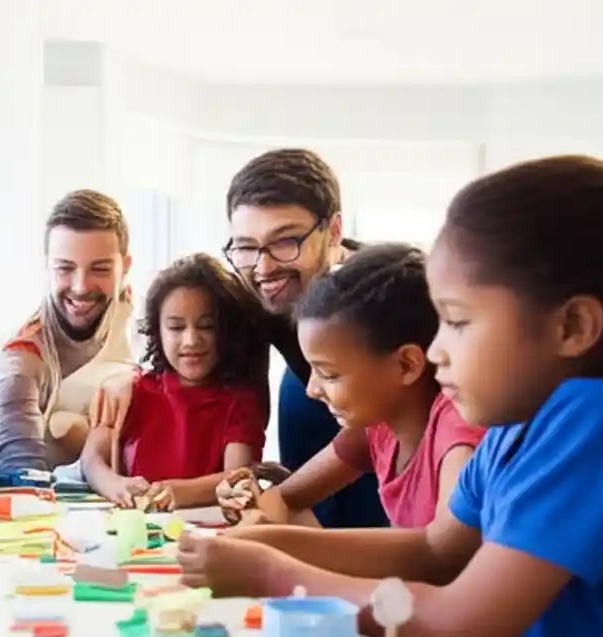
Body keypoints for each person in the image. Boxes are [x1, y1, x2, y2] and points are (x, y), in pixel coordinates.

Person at [179, 137, 603, 637]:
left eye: (457, 322)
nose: (436, 352)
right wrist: (265, 542)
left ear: (572, 326)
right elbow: (433, 549)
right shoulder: (519, 426)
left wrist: (272, 573)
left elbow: (462, 628)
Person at [95, 150, 389, 528]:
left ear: (333, 232)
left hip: (384, 415)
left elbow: (380, 428)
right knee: (302, 401)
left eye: (286, 241)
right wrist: (127, 378)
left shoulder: (382, 295)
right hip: (312, 402)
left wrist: (287, 494)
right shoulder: (254, 291)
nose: (265, 268)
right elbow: (187, 333)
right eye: (248, 246)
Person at [223, 243, 483, 529]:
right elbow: (286, 499)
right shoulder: (379, 430)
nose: (311, 390)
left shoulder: (458, 436)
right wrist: (249, 498)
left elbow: (440, 548)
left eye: (329, 374)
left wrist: (272, 540)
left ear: (406, 365)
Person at [0, 189, 136, 472]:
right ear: (47, 266)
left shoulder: (136, 319)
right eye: (65, 268)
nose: (81, 286)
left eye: (100, 269)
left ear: (125, 267)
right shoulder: (20, 359)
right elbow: (22, 471)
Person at [81, 254, 268, 509]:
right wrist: (114, 484)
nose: (191, 341)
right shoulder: (133, 391)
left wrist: (179, 492)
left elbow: (238, 476)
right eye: (176, 328)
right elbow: (91, 460)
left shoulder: (240, 402)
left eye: (207, 326)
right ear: (157, 332)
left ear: (228, 331)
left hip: (206, 529)